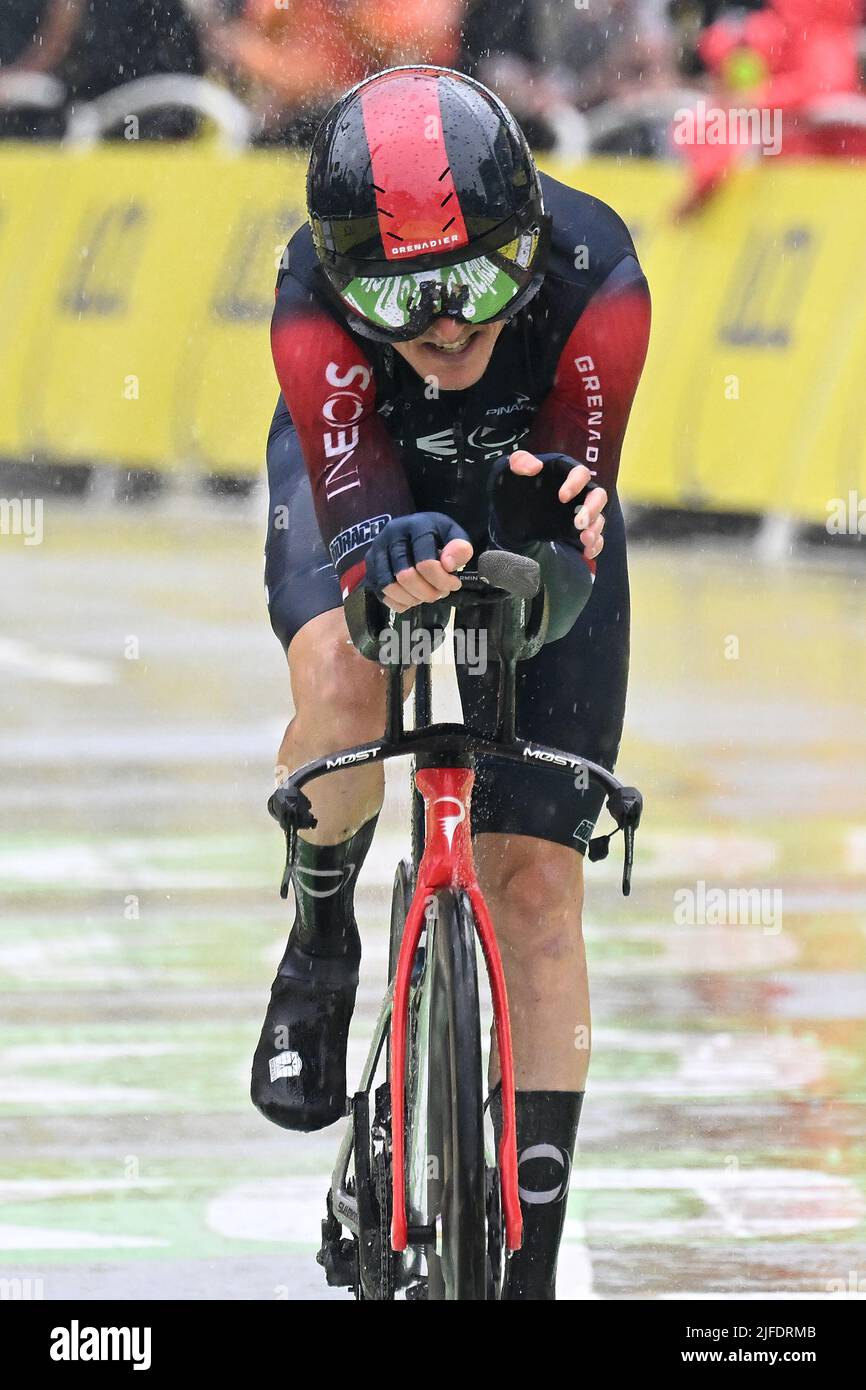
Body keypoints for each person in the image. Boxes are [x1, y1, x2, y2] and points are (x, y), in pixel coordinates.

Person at [251, 65, 651, 1300]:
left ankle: (527, 1264)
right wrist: (380, 551)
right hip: (366, 477)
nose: (439, 326)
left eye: (472, 283)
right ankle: (320, 946)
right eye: (398, 296)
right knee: (341, 676)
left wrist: (531, 581)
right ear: (342, 275)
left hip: (533, 503)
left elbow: (568, 514)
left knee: (533, 884)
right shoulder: (309, 295)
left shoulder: (598, 273)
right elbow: (356, 503)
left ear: (525, 243)